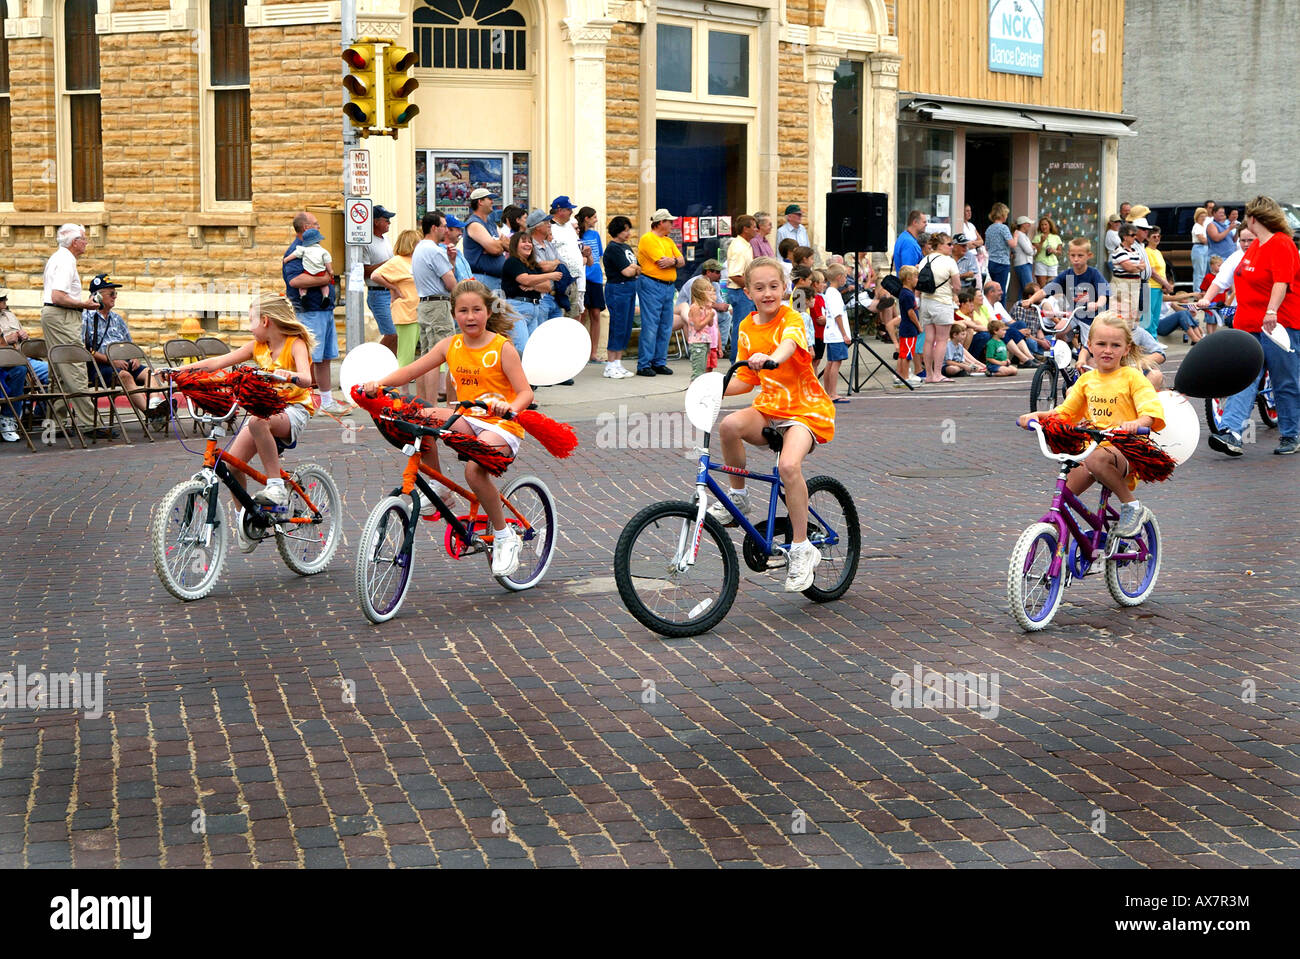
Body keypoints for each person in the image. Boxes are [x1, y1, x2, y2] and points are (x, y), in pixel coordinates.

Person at [360, 280, 534, 576]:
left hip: (502, 424)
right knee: (420, 419)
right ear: (453, 314)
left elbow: (526, 393)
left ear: (487, 312)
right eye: (463, 311)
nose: (470, 317)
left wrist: (511, 408)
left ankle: (505, 536)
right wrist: (379, 383)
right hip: (467, 417)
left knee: (473, 471)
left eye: (476, 310)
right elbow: (413, 369)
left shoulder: (502, 348)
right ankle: (440, 485)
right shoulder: (450, 345)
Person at [707, 257, 835, 592]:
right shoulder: (747, 327)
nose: (768, 293)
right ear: (747, 292)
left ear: (785, 289)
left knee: (789, 467)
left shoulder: (791, 318)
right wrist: (710, 387)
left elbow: (789, 344)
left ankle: (802, 548)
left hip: (804, 409)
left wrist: (774, 358)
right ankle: (739, 498)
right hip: (770, 406)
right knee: (729, 426)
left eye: (774, 286)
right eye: (760, 288)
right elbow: (746, 380)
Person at [1019, 313, 1167, 537]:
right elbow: (1064, 413)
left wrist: (1136, 423)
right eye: (1101, 344)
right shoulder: (1086, 381)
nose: (1107, 350)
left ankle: (1131, 506)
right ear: (1089, 346)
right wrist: (1037, 416)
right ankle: (1056, 552)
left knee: (1096, 459)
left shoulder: (1132, 377)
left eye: (1115, 345)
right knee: (1063, 497)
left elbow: (1150, 411)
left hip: (1126, 447)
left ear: (1126, 349)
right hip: (1093, 446)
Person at [178, 296, 315, 516]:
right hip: (268, 410)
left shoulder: (295, 343)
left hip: (294, 409)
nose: (248, 327)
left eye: (251, 320)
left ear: (265, 321)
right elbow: (217, 362)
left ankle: (276, 487)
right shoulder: (257, 347)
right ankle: (247, 518)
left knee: (257, 421)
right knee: (233, 466)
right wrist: (180, 371)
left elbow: (307, 379)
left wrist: (289, 376)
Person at [1206, 196, 1300, 457]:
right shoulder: (1255, 246)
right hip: (1249, 326)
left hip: (1280, 326)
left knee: (1285, 381)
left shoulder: (1282, 244)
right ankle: (1232, 433)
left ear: (1254, 218)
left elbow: (1281, 282)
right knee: (1245, 378)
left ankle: (1291, 434)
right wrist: (1209, 299)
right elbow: (1237, 280)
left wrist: (1271, 311)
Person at [41, 223, 108, 437]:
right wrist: (84, 304)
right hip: (61, 315)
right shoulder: (65, 261)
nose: (86, 242)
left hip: (56, 315)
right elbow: (58, 296)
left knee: (60, 370)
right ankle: (91, 423)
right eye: (84, 239)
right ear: (74, 242)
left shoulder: (60, 258)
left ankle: (56, 423)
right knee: (75, 365)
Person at [80, 274, 170, 427]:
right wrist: (110, 360)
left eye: (116, 293)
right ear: (98, 296)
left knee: (150, 373)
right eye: (112, 293)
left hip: (123, 363)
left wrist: (134, 357)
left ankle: (155, 405)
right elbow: (84, 350)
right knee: (126, 376)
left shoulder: (117, 319)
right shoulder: (86, 317)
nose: (115, 297)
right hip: (100, 366)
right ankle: (151, 415)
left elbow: (129, 344)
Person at [283, 212, 341, 412]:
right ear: (306, 228)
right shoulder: (295, 251)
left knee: (324, 357)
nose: (319, 227)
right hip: (308, 311)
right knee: (307, 357)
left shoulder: (315, 248)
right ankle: (300, 401)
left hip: (324, 309)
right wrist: (325, 280)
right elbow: (295, 281)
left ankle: (326, 402)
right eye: (316, 224)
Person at [1022, 237, 1111, 345]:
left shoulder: (1094, 274)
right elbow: (1045, 291)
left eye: (1080, 255)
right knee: (1058, 331)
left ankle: (1086, 357)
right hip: (1075, 314)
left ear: (1089, 256)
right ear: (1068, 255)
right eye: (1073, 255)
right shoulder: (1066, 274)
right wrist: (1030, 300)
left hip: (1092, 317)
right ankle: (1066, 357)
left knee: (1089, 347)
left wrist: (1097, 304)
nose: (1076, 259)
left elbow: (1103, 295)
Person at [411, 210, 457, 403]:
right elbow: (450, 283)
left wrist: (451, 261)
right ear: (434, 227)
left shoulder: (420, 248)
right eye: (444, 226)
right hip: (438, 304)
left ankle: (423, 403)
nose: (446, 230)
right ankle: (442, 404)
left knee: (426, 357)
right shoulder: (434, 250)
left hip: (425, 304)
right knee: (447, 356)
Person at [635, 209, 684, 377]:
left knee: (665, 325)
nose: (672, 224)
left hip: (668, 286)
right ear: (661, 222)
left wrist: (674, 261)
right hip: (652, 284)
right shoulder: (648, 239)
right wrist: (674, 261)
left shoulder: (668, 241)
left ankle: (659, 361)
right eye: (670, 222)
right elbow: (661, 262)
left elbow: (681, 260)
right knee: (651, 324)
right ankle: (644, 364)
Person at [501, 231, 562, 358]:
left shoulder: (533, 266)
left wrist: (532, 284)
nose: (528, 244)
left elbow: (546, 286)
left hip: (534, 309)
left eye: (529, 242)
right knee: (521, 347)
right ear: (515, 245)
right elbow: (525, 279)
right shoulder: (512, 262)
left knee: (532, 350)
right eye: (524, 241)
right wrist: (549, 275)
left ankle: (529, 377)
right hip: (516, 309)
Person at [1, 289, 50, 441]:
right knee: (19, 370)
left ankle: (41, 414)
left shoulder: (9, 315)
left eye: (4, 298)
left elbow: (22, 339)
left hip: (22, 357)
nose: (4, 301)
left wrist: (23, 335)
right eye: (2, 298)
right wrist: (8, 339)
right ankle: (8, 418)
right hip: (6, 359)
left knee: (55, 371)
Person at [368, 229, 421, 366]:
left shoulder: (416, 260)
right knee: (405, 352)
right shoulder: (397, 261)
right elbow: (375, 275)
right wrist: (394, 288)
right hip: (405, 312)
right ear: (411, 243)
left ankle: (404, 376)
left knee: (413, 351)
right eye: (418, 242)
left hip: (418, 311)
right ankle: (399, 381)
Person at [918, 232, 960, 384]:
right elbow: (957, 287)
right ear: (940, 245)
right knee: (942, 340)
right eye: (949, 244)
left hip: (926, 302)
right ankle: (937, 374)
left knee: (928, 340)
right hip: (942, 302)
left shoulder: (924, 260)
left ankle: (928, 374)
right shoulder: (949, 262)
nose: (951, 247)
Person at [601, 216, 639, 379]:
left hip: (629, 288)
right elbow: (628, 271)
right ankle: (610, 365)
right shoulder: (613, 248)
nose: (628, 233)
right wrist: (634, 268)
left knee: (626, 326)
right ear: (617, 231)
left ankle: (618, 362)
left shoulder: (626, 247)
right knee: (617, 325)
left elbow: (637, 268)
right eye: (625, 229)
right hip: (618, 289)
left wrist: (635, 268)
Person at [549, 196, 593, 319]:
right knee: (563, 318)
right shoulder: (550, 228)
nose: (572, 212)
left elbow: (574, 246)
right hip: (562, 280)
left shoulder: (569, 225)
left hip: (575, 279)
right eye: (569, 209)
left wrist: (583, 250)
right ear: (560, 210)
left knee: (576, 316)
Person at [362, 204, 398, 355]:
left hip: (390, 291)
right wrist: (389, 264)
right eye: (386, 219)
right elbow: (365, 271)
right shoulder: (366, 242)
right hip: (377, 293)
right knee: (391, 333)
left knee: (397, 334)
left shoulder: (386, 239)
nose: (389, 222)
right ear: (376, 222)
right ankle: (373, 363)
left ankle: (392, 367)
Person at [725, 215, 758, 361]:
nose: (756, 229)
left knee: (747, 327)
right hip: (740, 292)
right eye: (754, 226)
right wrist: (751, 289)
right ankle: (737, 361)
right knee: (742, 327)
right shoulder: (739, 248)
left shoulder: (745, 244)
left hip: (744, 291)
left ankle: (742, 359)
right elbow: (734, 275)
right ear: (745, 229)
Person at [462, 188, 508, 289]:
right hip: (482, 279)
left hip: (496, 280)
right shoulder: (474, 223)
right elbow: (495, 249)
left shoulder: (491, 223)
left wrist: (496, 244)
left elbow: (508, 245)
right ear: (480, 202)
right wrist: (499, 245)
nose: (492, 202)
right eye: (489, 198)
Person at [577, 206, 605, 364]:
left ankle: (593, 353)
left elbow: (598, 255)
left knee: (596, 315)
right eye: (593, 217)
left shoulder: (595, 235)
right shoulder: (576, 234)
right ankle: (580, 352)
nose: (596, 220)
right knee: (581, 314)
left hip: (595, 278)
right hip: (582, 279)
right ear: (586, 218)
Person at [677, 276, 719, 379]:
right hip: (697, 343)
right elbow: (697, 326)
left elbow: (709, 325)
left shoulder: (704, 307)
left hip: (705, 341)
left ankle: (701, 391)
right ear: (701, 293)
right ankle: (694, 392)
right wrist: (709, 316)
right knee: (698, 373)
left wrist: (710, 315)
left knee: (704, 371)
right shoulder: (695, 307)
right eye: (709, 291)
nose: (712, 294)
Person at [821, 265, 850, 402]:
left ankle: (828, 392)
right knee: (835, 363)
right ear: (839, 277)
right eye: (844, 276)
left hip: (831, 333)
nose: (845, 279)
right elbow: (838, 315)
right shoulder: (834, 293)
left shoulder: (830, 292)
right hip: (836, 334)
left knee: (831, 362)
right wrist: (844, 334)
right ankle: (832, 393)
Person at [1109, 225, 1148, 326]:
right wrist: (1137, 266)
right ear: (1125, 236)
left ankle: (1130, 336)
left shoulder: (1135, 251)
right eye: (1132, 235)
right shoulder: (1119, 251)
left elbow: (1143, 265)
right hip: (1122, 285)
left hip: (1135, 285)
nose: (1135, 237)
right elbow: (1129, 268)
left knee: (1133, 313)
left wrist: (1136, 266)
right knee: (1123, 313)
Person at [1144, 227, 1176, 336]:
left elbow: (1162, 271)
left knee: (1156, 315)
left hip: (1158, 287)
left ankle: (1154, 338)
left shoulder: (1157, 252)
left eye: (1158, 236)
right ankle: (1149, 338)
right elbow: (1153, 273)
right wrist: (1166, 284)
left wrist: (1165, 285)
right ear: (1147, 238)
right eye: (1154, 236)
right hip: (1151, 286)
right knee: (1149, 315)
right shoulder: (1147, 251)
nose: (1157, 238)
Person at [895, 265, 923, 386]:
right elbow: (911, 312)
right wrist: (918, 326)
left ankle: (900, 375)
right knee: (907, 355)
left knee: (903, 353)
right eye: (916, 277)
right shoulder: (908, 294)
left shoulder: (904, 292)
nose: (917, 280)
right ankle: (905, 377)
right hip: (909, 328)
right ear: (908, 279)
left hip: (905, 328)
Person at [984, 203, 1014, 294]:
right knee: (1001, 291)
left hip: (992, 262)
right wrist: (1016, 237)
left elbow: (986, 247)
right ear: (1002, 214)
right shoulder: (1004, 228)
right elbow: (1012, 244)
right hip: (1002, 263)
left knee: (993, 291)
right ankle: (1001, 307)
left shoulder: (989, 228)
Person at [959, 203, 986, 284]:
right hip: (966, 257)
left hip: (975, 256)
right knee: (970, 281)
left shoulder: (971, 225)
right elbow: (966, 245)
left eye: (970, 211)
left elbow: (981, 241)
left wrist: (972, 242)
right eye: (967, 211)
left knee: (978, 281)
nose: (969, 213)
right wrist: (972, 244)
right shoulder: (960, 225)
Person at [1032, 216, 1063, 287]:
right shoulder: (1037, 237)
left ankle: (1051, 298)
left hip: (1053, 264)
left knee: (1052, 287)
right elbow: (1036, 252)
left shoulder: (1056, 237)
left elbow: (1059, 253)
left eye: (1045, 224)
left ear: (1050, 226)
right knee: (1043, 287)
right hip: (1041, 263)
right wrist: (1041, 241)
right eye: (1042, 225)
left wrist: (1053, 251)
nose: (1043, 226)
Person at [1011, 216, 1035, 299]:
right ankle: (1025, 306)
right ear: (1023, 224)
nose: (1029, 226)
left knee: (1023, 289)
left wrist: (1032, 250)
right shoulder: (1019, 235)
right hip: (1023, 264)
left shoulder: (1023, 235)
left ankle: (1020, 306)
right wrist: (1033, 249)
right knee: (1029, 288)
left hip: (1025, 263)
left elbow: (1030, 250)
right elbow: (1028, 250)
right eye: (1028, 224)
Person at [1190, 207, 1211, 293]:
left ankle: (1203, 290)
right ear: (1197, 217)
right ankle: (1197, 292)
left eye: (1204, 216)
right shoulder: (1196, 226)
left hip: (1206, 248)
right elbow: (1202, 239)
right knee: (1199, 272)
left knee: (1205, 271)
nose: (1203, 218)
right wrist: (1213, 240)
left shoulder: (1204, 226)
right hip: (1198, 248)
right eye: (1201, 216)